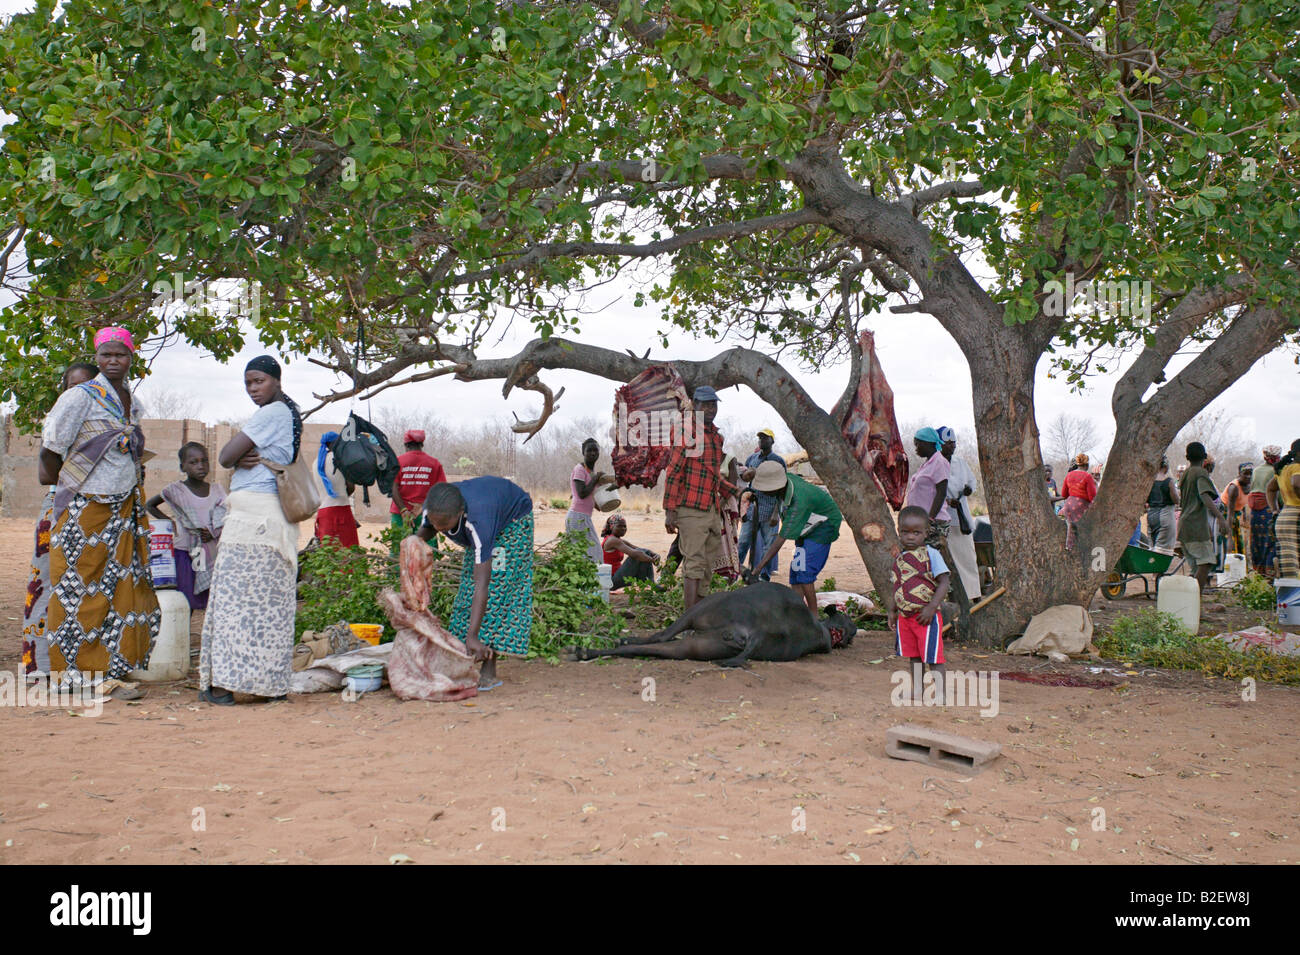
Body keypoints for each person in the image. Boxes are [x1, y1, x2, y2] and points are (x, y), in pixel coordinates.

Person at [39, 329, 159, 699]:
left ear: (130, 357)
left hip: (123, 507)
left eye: (120, 355)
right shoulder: (80, 397)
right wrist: (67, 487)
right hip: (85, 508)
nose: (113, 361)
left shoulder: (132, 402)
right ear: (98, 356)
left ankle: (111, 669)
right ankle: (75, 675)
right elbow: (51, 447)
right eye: (106, 354)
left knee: (122, 589)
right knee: (80, 589)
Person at [199, 356, 304, 705]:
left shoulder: (273, 413)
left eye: (259, 381)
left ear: (276, 380)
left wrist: (236, 455)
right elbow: (233, 457)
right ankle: (268, 684)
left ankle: (223, 685)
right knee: (267, 606)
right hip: (266, 521)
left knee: (235, 604)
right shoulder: (284, 413)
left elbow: (225, 456)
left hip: (254, 522)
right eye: (248, 384)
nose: (253, 389)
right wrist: (240, 455)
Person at [415, 477, 534, 689]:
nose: (439, 529)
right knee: (466, 587)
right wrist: (411, 550)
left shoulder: (479, 522)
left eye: (444, 525)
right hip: (486, 511)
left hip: (513, 521)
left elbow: (483, 584)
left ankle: (488, 667)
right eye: (435, 523)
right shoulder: (433, 507)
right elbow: (425, 531)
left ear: (460, 513)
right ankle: (462, 657)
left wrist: (473, 635)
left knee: (498, 584)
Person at [22, 361, 99, 681]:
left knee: (87, 588)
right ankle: (38, 667)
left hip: (96, 508)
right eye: (74, 387)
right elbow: (44, 474)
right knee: (46, 585)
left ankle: (82, 667)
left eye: (90, 388)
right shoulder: (58, 423)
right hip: (60, 506)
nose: (81, 394)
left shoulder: (104, 423)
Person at [662, 385, 731, 610]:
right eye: (705, 404)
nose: (711, 409)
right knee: (694, 563)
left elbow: (711, 474)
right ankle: (688, 621)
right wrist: (670, 510)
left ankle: (699, 615)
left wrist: (732, 490)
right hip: (690, 507)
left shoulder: (715, 437)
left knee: (707, 565)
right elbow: (674, 471)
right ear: (695, 406)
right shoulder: (686, 431)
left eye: (713, 404)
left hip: (710, 508)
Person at [749, 461, 843, 614]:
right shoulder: (783, 481)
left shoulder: (799, 501)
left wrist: (759, 567)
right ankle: (799, 613)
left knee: (805, 573)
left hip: (823, 525)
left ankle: (813, 616)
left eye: (767, 490)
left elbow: (781, 538)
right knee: (795, 572)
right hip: (807, 523)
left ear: (776, 487)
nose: (764, 493)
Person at [147, 442, 228, 611]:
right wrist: (170, 523)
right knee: (185, 600)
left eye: (204, 461)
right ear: (182, 467)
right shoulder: (176, 490)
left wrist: (213, 531)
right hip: (184, 552)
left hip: (211, 553)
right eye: (193, 462)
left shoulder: (217, 490)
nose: (200, 466)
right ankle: (182, 636)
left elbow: (225, 516)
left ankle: (207, 636)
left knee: (212, 601)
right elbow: (150, 505)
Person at [889, 506, 951, 704]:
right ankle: (917, 691)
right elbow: (898, 585)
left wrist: (932, 606)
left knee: (933, 656)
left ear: (926, 533)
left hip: (926, 617)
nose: (910, 537)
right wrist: (892, 610)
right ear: (899, 532)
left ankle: (940, 693)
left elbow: (944, 581)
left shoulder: (931, 554)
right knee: (914, 656)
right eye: (905, 532)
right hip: (905, 618)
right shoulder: (899, 559)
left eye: (916, 533)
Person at [1177, 441, 1226, 593]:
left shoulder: (1185, 474)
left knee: (1196, 567)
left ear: (1187, 457)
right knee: (1206, 563)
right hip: (1194, 525)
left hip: (1185, 525)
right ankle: (1194, 600)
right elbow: (1204, 495)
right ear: (1204, 457)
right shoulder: (1201, 473)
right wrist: (1220, 518)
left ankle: (1192, 607)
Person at [938, 427, 981, 600]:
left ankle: (974, 593)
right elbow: (930, 492)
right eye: (948, 443)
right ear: (939, 445)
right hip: (945, 518)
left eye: (953, 443)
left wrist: (970, 489)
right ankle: (955, 595)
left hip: (962, 518)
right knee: (950, 561)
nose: (952, 446)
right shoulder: (934, 464)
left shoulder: (960, 462)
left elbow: (972, 481)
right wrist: (946, 502)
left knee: (968, 557)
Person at [737, 429, 786, 579]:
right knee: (743, 542)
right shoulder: (752, 459)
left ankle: (762, 576)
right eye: (760, 438)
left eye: (765, 438)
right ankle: (733, 572)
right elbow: (744, 482)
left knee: (769, 545)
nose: (762, 440)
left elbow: (783, 488)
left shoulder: (778, 461)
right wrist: (743, 510)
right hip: (753, 509)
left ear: (772, 441)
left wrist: (776, 513)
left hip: (770, 509)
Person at [391, 429, 447, 531]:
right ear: (422, 444)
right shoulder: (434, 463)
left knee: (400, 544)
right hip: (426, 514)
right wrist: (423, 507)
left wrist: (404, 510)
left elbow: (392, 487)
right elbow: (441, 490)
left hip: (400, 514)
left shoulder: (397, 462)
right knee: (426, 545)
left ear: (406, 445)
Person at [904, 427, 950, 548]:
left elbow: (941, 492)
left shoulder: (939, 462)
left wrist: (930, 519)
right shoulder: (928, 463)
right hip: (922, 521)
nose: (916, 449)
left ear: (927, 443)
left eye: (917, 444)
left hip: (933, 522)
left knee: (931, 560)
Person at [567, 438, 610, 566]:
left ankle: (585, 584)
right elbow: (582, 493)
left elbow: (594, 500)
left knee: (583, 554)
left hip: (583, 517)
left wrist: (606, 502)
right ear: (583, 452)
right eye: (589, 450)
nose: (592, 453)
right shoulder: (580, 469)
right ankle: (594, 584)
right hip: (577, 517)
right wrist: (596, 479)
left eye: (595, 450)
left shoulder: (591, 473)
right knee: (595, 553)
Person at [312, 431, 359, 547]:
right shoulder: (340, 459)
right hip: (341, 512)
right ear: (336, 442)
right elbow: (351, 487)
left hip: (323, 514)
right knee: (349, 554)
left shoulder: (316, 462)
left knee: (329, 557)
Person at [1266, 440, 1300, 579]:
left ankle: (1290, 597)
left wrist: (1274, 510)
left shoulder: (1283, 469)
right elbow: (1296, 484)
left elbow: (1270, 489)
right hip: (1296, 517)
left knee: (1289, 562)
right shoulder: (1297, 467)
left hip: (1284, 517)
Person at [601, 513, 659, 590]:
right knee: (639, 554)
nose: (623, 529)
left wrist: (654, 554)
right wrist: (652, 560)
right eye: (619, 526)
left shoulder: (617, 540)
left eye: (624, 526)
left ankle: (649, 583)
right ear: (612, 527)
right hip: (612, 581)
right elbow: (636, 554)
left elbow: (638, 549)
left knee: (643, 552)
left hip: (617, 576)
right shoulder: (612, 540)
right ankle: (651, 583)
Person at [1249, 445, 1281, 575]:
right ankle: (1270, 573)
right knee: (1271, 541)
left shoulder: (1256, 470)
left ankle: (1259, 572)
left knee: (1257, 542)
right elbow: (1276, 493)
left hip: (1254, 511)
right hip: (1268, 508)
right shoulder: (1276, 471)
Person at [1056, 453, 1098, 549]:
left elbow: (1064, 494)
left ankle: (1068, 546)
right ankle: (1074, 547)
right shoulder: (1088, 477)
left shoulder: (1069, 475)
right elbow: (1092, 496)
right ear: (1086, 465)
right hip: (1081, 506)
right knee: (1081, 530)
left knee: (1069, 526)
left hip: (1068, 505)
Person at [1145, 455, 1180, 551]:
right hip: (1165, 516)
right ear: (1165, 467)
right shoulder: (1168, 481)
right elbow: (1176, 500)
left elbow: (1145, 500)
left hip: (1151, 516)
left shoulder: (1148, 482)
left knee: (1152, 549)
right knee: (1163, 551)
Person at [1221, 463, 1253, 558]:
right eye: (1245, 474)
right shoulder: (1234, 488)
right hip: (1225, 516)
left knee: (1240, 547)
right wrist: (1229, 538)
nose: (1248, 476)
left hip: (1235, 516)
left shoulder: (1249, 485)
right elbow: (1229, 514)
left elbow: (1241, 502)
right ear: (1239, 473)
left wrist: (1244, 515)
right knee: (1230, 548)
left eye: (1250, 473)